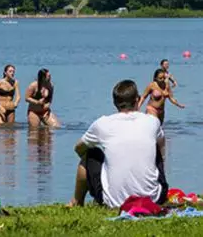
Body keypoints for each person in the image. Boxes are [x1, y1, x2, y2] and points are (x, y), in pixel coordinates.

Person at [69, 80, 168, 208]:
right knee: (155, 145)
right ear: (137, 100)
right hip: (155, 199)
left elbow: (78, 148)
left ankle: (77, 201)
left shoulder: (102, 124)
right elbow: (162, 147)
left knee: (91, 153)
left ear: (115, 103)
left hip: (115, 202)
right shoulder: (152, 121)